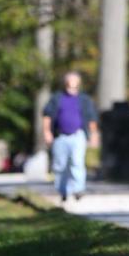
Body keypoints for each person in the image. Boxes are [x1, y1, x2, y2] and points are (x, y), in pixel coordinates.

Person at [42, 71, 100, 203]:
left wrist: (94, 134)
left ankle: (78, 189)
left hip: (78, 135)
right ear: (65, 84)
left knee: (77, 162)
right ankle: (62, 190)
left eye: (74, 86)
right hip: (60, 136)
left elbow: (91, 119)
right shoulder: (57, 98)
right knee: (60, 165)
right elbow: (47, 116)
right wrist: (47, 132)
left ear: (78, 85)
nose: (71, 89)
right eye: (69, 85)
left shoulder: (84, 100)